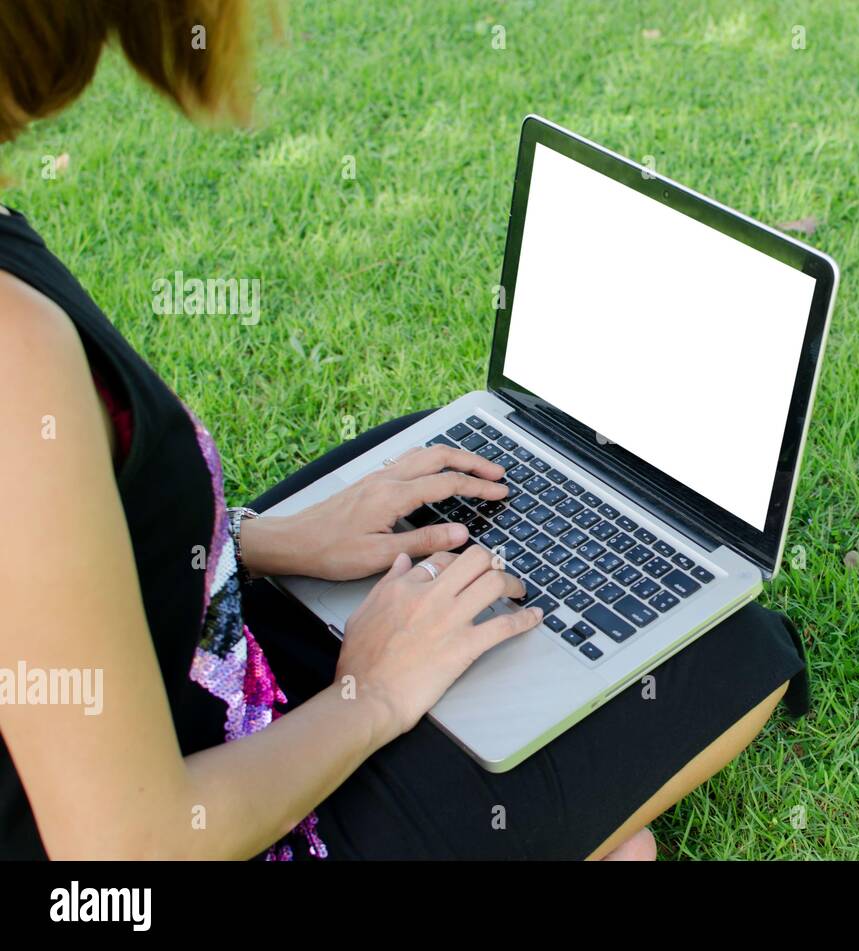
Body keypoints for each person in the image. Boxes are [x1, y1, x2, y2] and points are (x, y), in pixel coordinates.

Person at [0, 1, 808, 860]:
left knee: (440, 460)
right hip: (225, 810)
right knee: (744, 651)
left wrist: (266, 540)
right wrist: (371, 698)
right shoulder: (16, 353)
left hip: (186, 682)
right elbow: (130, 854)